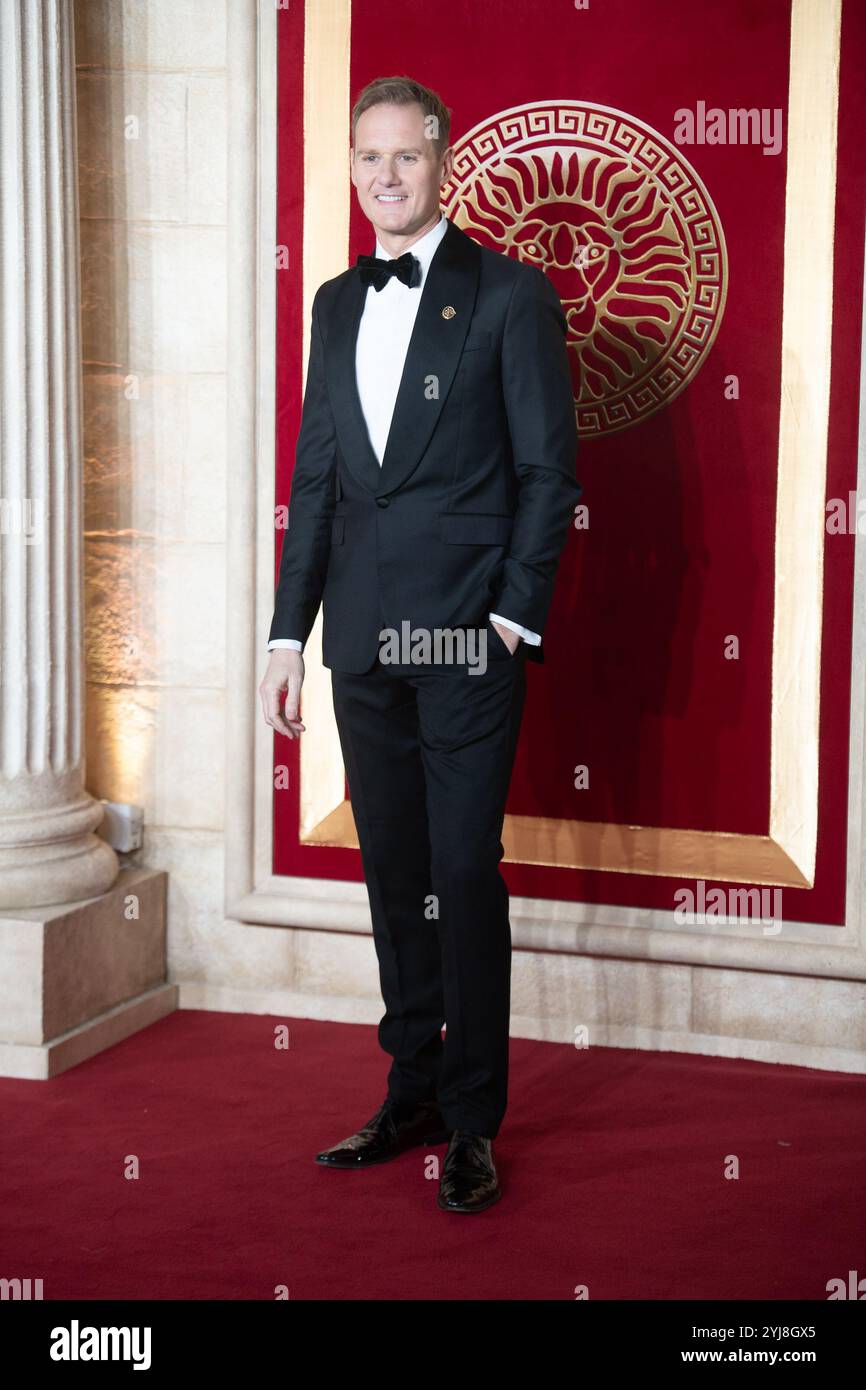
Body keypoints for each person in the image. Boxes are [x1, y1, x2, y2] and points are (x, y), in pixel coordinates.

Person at [259, 75, 581, 1213]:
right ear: (349, 168)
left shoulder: (509, 296)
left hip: (465, 642)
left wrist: (508, 615)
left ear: (440, 160)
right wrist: (287, 633)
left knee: (459, 872)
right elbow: (318, 477)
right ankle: (410, 1090)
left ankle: (474, 1119)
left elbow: (549, 473)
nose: (383, 178)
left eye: (403, 157)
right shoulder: (337, 303)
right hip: (364, 642)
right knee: (395, 873)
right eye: (366, 160)